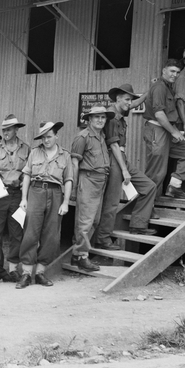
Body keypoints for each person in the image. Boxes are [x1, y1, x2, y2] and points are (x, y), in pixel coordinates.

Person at [95, 84, 158, 249]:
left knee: (149, 186)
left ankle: (138, 225)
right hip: (113, 158)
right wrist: (123, 169)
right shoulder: (112, 117)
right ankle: (103, 239)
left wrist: (147, 92)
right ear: (118, 99)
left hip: (121, 158)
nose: (130, 103)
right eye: (127, 100)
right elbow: (114, 145)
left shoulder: (121, 112)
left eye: (131, 100)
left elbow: (134, 103)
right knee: (112, 201)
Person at [16, 121, 73, 289]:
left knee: (51, 235)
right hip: (36, 191)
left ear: (56, 136)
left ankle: (40, 272)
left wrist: (66, 202)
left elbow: (68, 180)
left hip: (56, 193)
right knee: (31, 232)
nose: (46, 140)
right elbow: (26, 175)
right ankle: (26, 273)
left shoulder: (65, 155)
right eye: (43, 137)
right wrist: (24, 198)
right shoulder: (35, 152)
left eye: (49, 137)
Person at [0, 115, 31, 283]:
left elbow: (29, 172)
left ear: (16, 130)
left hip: (17, 195)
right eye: (3, 130)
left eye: (9, 129)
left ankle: (12, 270)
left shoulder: (26, 148)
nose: (5, 133)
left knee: (16, 233)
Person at [143, 59, 185, 199]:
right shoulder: (160, 87)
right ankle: (147, 206)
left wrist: (173, 131)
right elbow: (159, 114)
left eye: (178, 72)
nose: (175, 75)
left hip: (167, 131)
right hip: (157, 130)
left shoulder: (168, 87)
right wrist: (174, 132)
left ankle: (174, 186)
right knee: (157, 171)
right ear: (164, 71)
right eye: (172, 71)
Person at [69, 105, 113, 272]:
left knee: (94, 220)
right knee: (85, 221)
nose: (100, 120)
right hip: (88, 180)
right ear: (89, 120)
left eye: (103, 117)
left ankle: (77, 254)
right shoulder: (82, 137)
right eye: (96, 117)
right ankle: (82, 256)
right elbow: (74, 162)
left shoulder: (101, 136)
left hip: (101, 181)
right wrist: (73, 187)